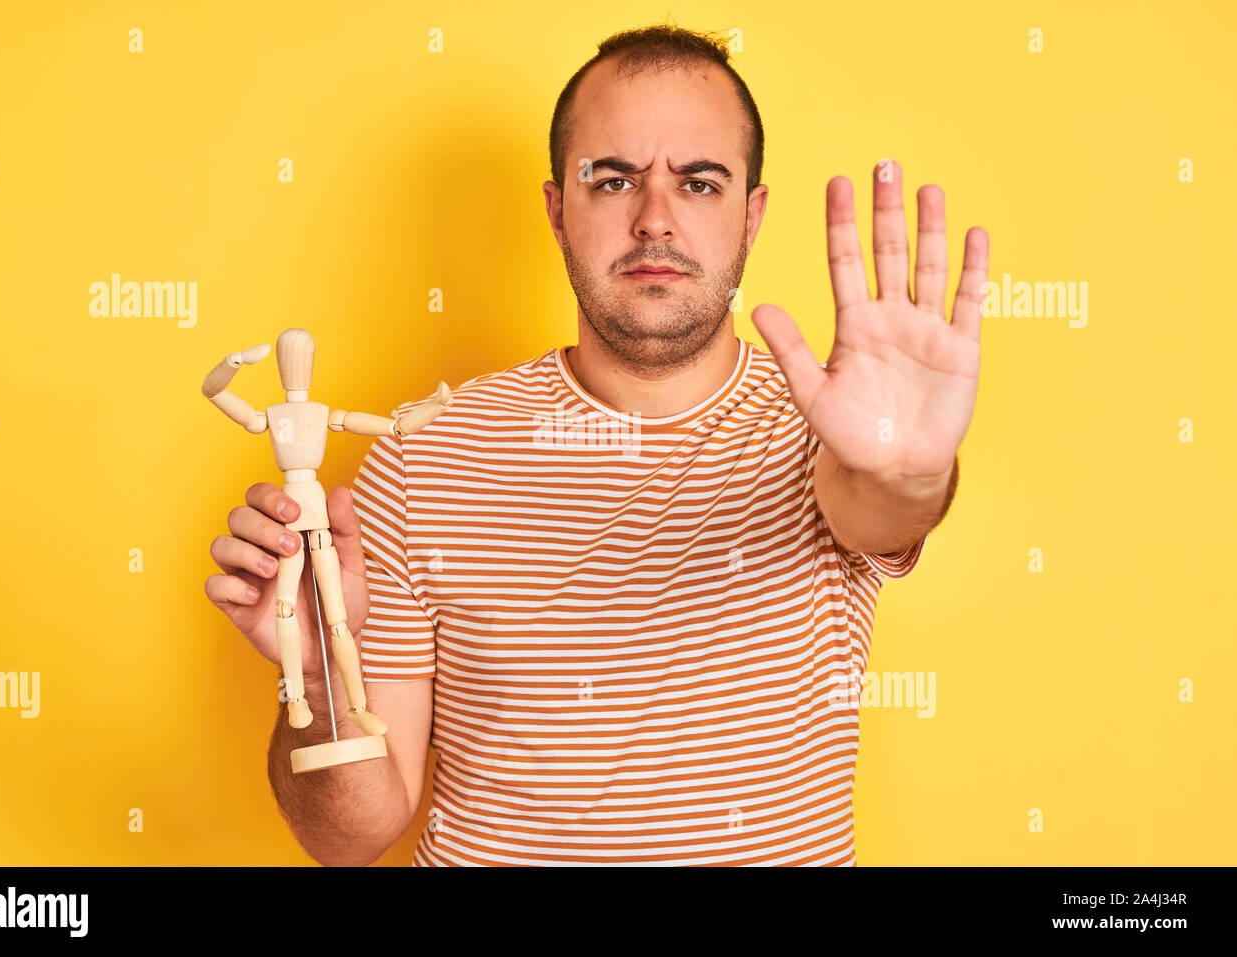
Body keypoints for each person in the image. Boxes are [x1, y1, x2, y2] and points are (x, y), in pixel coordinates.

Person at [206, 23, 987, 866]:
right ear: (556, 209)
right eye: (612, 179)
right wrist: (320, 683)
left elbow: (881, 504)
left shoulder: (821, 429)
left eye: (699, 182)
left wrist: (909, 467)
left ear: (752, 217)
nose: (655, 219)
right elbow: (348, 838)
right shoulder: (420, 458)